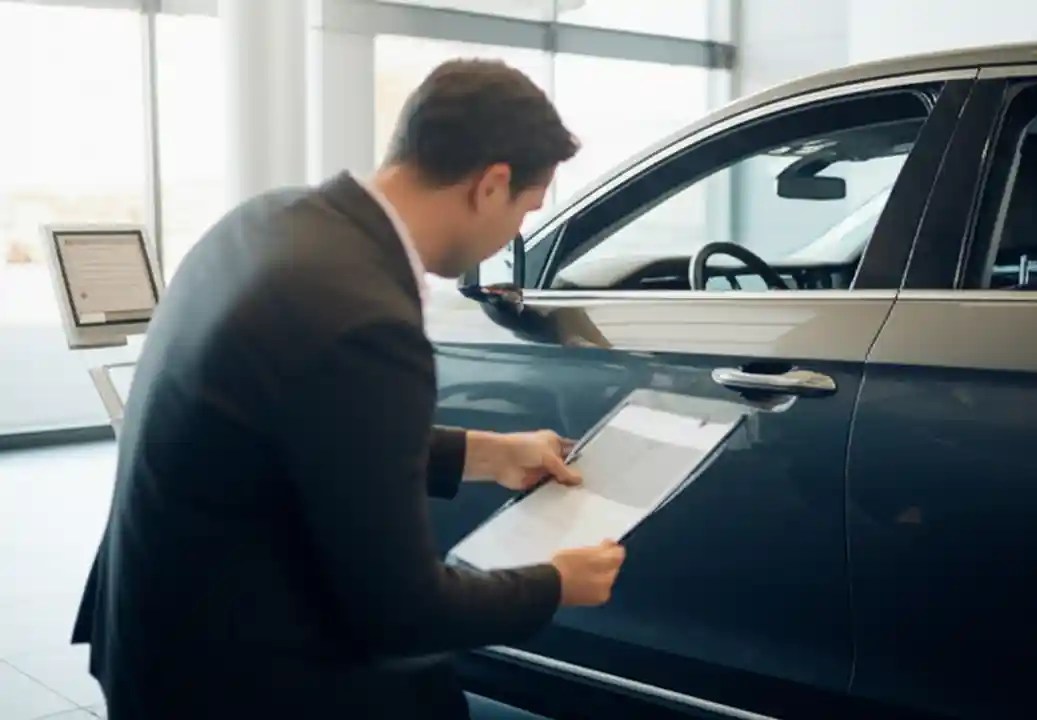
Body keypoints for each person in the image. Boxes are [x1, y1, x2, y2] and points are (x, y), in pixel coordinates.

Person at [71, 59, 626, 719]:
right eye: (526, 211)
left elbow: (305, 432)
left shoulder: (270, 222)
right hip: (234, 678)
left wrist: (485, 451)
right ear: (492, 183)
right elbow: (402, 613)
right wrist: (555, 583)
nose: (512, 237)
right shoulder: (368, 316)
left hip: (153, 632)